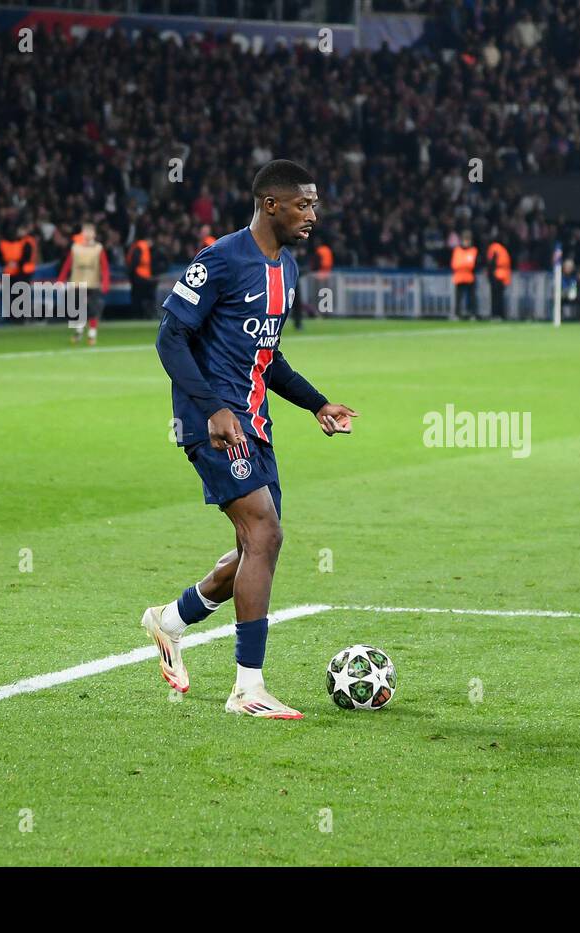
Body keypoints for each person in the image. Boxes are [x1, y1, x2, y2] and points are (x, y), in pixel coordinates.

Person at [143, 160, 357, 719]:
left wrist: (318, 404)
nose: (313, 214)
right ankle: (247, 687)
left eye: (314, 204)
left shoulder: (284, 269)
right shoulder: (219, 259)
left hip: (254, 424)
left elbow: (270, 358)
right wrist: (212, 408)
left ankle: (169, 620)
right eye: (303, 204)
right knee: (264, 532)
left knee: (253, 547)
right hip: (212, 424)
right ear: (270, 205)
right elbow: (170, 340)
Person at [58, 223, 111, 344]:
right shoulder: (75, 248)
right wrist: (61, 279)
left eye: (90, 232)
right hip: (77, 281)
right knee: (77, 309)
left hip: (93, 282)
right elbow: (67, 264)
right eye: (85, 232)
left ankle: (92, 334)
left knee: (93, 309)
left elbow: (105, 267)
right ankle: (78, 332)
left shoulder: (98, 248)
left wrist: (105, 282)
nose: (87, 234)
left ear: (94, 234)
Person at [451, 230, 478, 319]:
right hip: (459, 277)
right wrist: (465, 265)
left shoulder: (473, 250)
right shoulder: (457, 250)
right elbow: (455, 264)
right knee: (458, 297)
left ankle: (472, 314)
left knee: (471, 297)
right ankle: (457, 314)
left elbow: (472, 264)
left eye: (468, 239)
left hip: (469, 277)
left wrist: (464, 265)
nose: (466, 241)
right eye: (465, 239)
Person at [486, 233, 511, 320]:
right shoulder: (497, 248)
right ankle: (496, 314)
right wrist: (491, 275)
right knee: (497, 297)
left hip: (499, 275)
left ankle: (498, 314)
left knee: (498, 297)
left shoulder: (497, 248)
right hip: (497, 275)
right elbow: (491, 263)